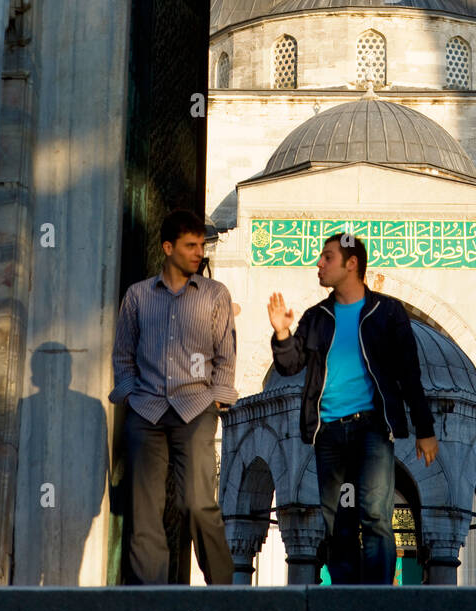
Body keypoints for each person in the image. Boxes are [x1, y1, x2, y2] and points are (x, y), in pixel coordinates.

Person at [268, 232, 438, 584]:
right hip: (329, 432)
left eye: (327, 257)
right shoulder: (317, 316)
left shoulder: (386, 312)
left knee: (375, 516)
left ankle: (374, 600)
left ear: (352, 264)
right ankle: (346, 599)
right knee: (337, 520)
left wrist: (425, 430)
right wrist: (283, 335)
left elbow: (409, 374)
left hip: (372, 429)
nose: (319, 263)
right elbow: (290, 365)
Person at [110, 209, 237, 584]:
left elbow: (226, 354)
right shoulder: (137, 296)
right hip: (145, 411)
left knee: (198, 504)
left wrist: (216, 397)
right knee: (145, 513)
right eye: (190, 245)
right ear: (168, 248)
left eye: (201, 245)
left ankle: (225, 593)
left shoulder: (215, 295)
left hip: (195, 408)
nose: (199, 252)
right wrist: (130, 394)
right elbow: (123, 354)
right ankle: (151, 602)